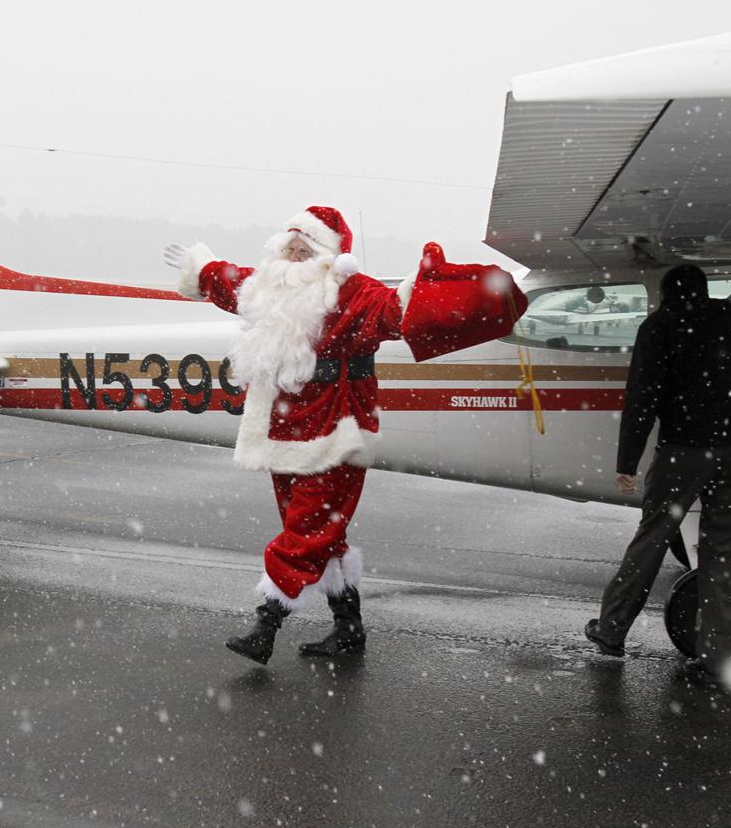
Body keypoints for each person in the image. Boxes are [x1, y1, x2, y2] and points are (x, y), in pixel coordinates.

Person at [164, 207, 522, 665]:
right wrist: (201, 267)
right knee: (320, 533)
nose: (294, 256)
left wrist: (437, 288)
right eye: (290, 247)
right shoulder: (269, 288)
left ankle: (266, 626)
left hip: (336, 432)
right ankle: (349, 628)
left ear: (328, 255)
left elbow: (394, 311)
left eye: (305, 249)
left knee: (306, 533)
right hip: (283, 432)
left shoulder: (352, 291)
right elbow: (232, 283)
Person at [584, 265, 731, 681]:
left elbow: (641, 398)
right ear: (704, 289)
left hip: (682, 453)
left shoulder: (659, 326)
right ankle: (716, 656)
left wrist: (627, 463)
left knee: (652, 538)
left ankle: (611, 631)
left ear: (665, 295)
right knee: (722, 552)